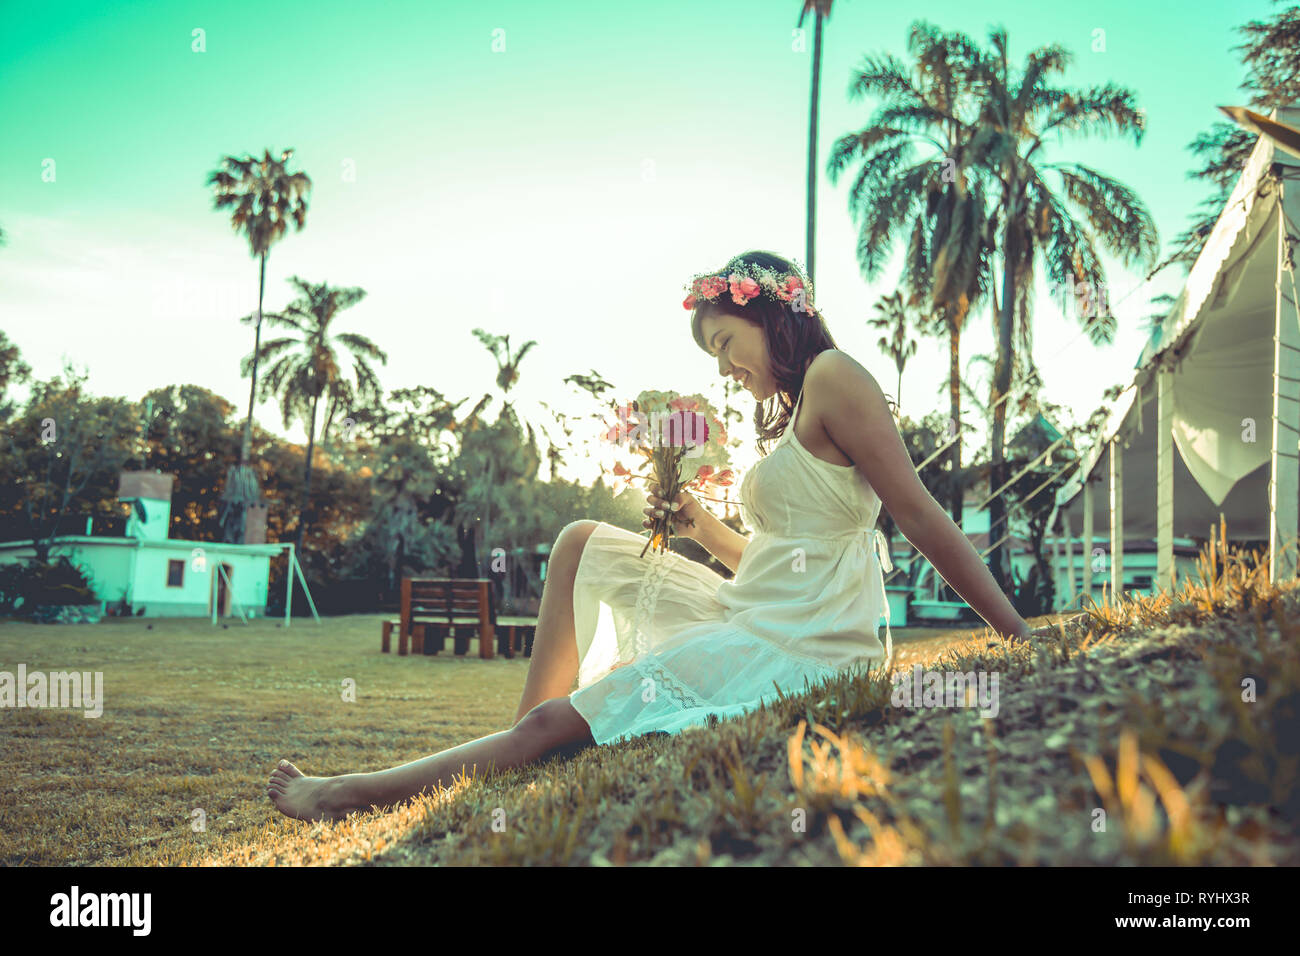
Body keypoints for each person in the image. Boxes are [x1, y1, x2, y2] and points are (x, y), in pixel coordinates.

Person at [267, 250, 1035, 822]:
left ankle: (348, 794)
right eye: (713, 354)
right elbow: (773, 563)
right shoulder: (802, 407)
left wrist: (1014, 635)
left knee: (556, 721)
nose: (726, 365)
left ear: (770, 317)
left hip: (808, 647)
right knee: (577, 539)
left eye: (726, 341)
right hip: (760, 614)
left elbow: (921, 515)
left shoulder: (836, 377)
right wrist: (701, 528)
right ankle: (521, 741)